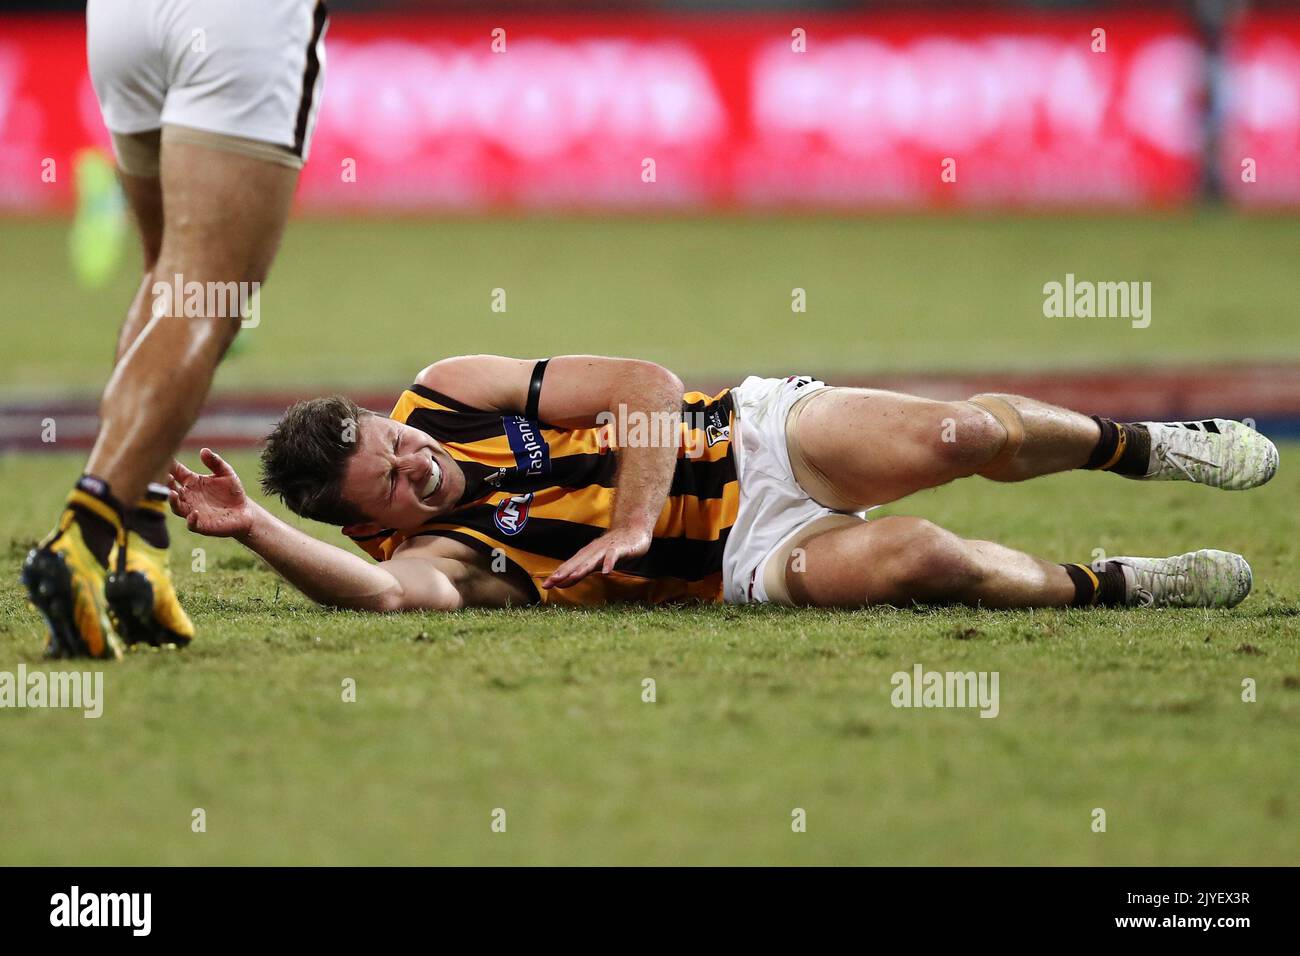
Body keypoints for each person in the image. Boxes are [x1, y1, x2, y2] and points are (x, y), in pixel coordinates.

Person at [167, 354, 1277, 615]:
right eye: (395, 482)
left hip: (751, 440)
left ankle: (1144, 447)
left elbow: (643, 381)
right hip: (742, 562)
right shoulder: (437, 556)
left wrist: (638, 516)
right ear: (369, 520)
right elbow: (391, 600)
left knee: (952, 433)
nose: (418, 460)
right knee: (923, 557)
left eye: (391, 441)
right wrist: (257, 528)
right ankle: (1123, 582)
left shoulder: (447, 391)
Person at [23, 0, 329, 658]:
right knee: (210, 295)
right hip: (240, 23)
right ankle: (84, 535)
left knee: (166, 277)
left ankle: (142, 549)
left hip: (121, 21)